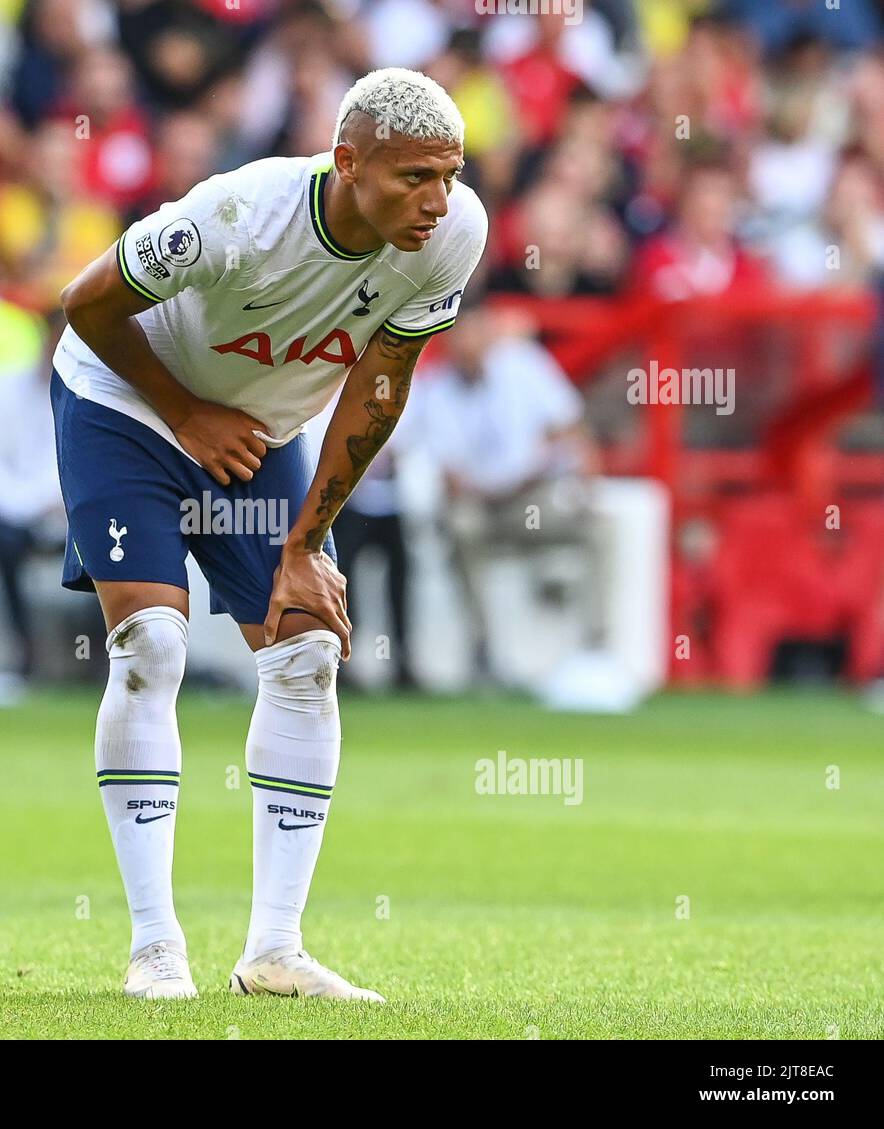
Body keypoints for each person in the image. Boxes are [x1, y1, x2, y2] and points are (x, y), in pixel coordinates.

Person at [55, 68, 487, 1000]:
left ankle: (274, 950)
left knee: (306, 654)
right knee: (153, 646)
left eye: (450, 174)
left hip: (258, 429)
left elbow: (382, 380)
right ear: (347, 162)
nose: (437, 200)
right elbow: (86, 303)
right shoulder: (237, 214)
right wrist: (184, 413)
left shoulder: (453, 236)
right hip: (125, 402)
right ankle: (154, 945)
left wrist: (306, 544)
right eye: (414, 176)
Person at [419, 305, 600, 684]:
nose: (466, 346)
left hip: (533, 498)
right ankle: (483, 648)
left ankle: (597, 647)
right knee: (461, 525)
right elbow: (449, 475)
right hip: (480, 506)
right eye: (458, 338)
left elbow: (570, 427)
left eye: (474, 335)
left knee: (597, 526)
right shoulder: (434, 390)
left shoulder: (524, 366)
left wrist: (581, 481)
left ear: (489, 336)